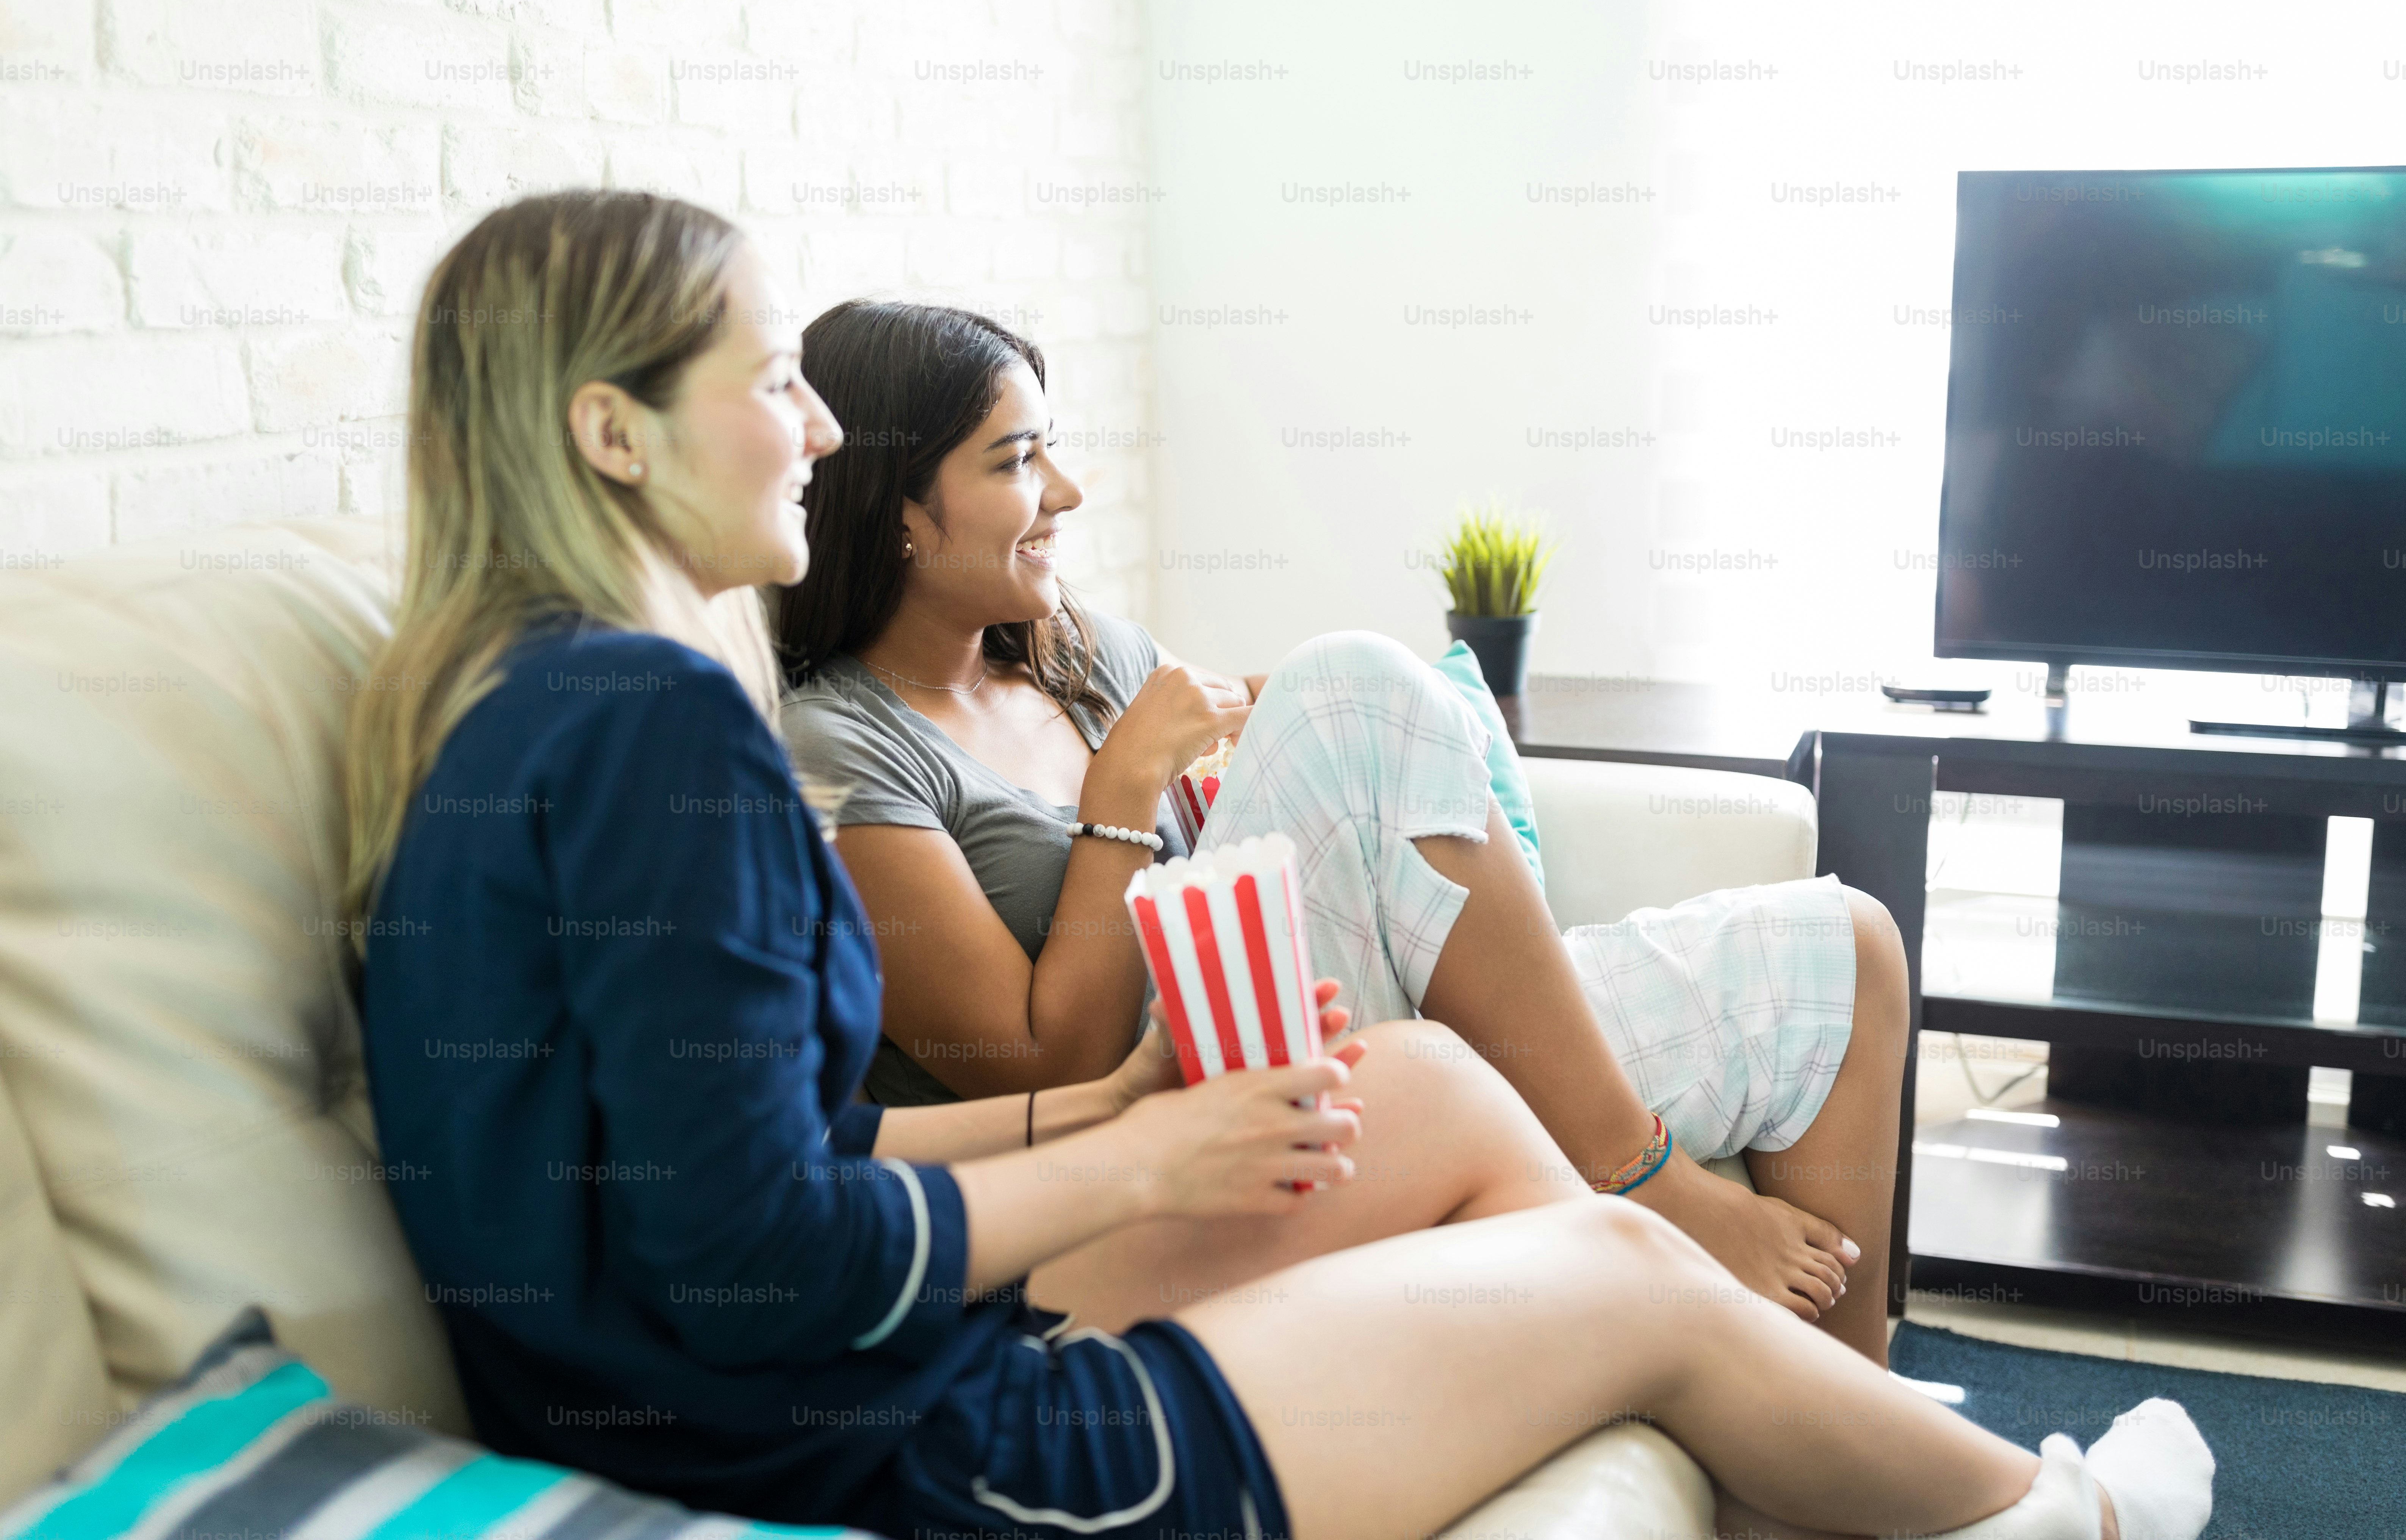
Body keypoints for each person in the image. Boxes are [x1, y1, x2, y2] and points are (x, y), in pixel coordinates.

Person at [349, 190, 2213, 1540]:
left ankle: (1828, 1469)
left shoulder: (514, 707)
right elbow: (760, 1260)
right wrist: (1146, 1151)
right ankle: (2059, 1530)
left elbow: (741, 1175)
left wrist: (1132, 1098)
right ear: (610, 432)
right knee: (1627, 1271)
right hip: (891, 1448)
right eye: (774, 382)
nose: (819, 429)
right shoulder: (670, 736)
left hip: (763, 1390)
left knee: (1418, 1076)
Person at [775, 300, 1905, 1360]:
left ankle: (1831, 1511)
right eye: (1018, 460)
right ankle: (1637, 1172)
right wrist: (1120, 798)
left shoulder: (1077, 655)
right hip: (1146, 1144)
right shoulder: (842, 751)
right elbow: (1034, 1073)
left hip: (1315, 1025)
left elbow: (1334, 750)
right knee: (1351, 684)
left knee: (1842, 950)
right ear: (903, 515)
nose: (1066, 492)